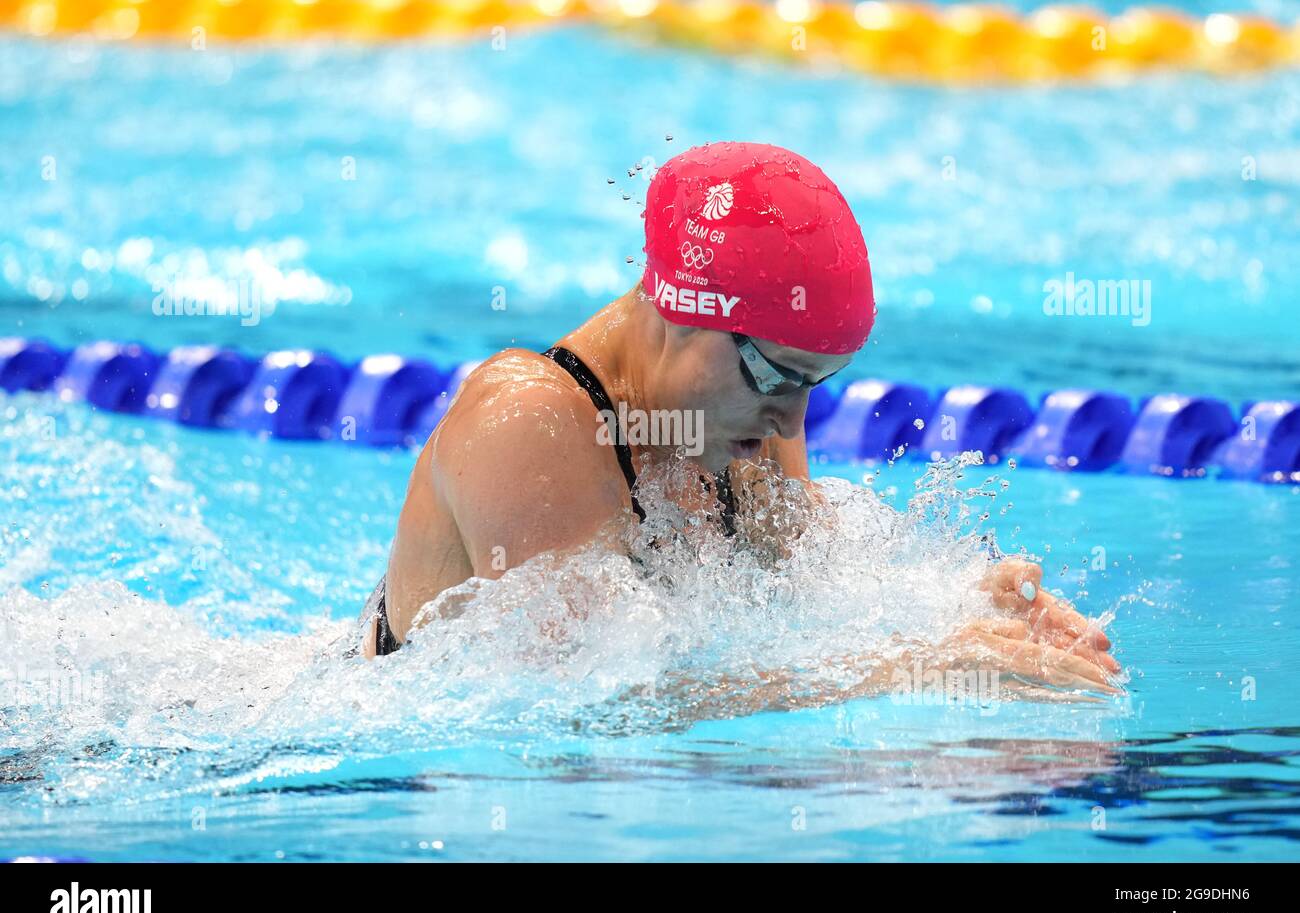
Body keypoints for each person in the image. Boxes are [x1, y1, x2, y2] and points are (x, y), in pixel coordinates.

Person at [358, 141, 1119, 699]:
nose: (790, 419)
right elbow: (590, 702)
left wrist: (976, 614)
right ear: (680, 316)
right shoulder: (529, 421)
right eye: (776, 375)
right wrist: (923, 669)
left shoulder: (740, 420)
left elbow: (814, 602)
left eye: (816, 383)